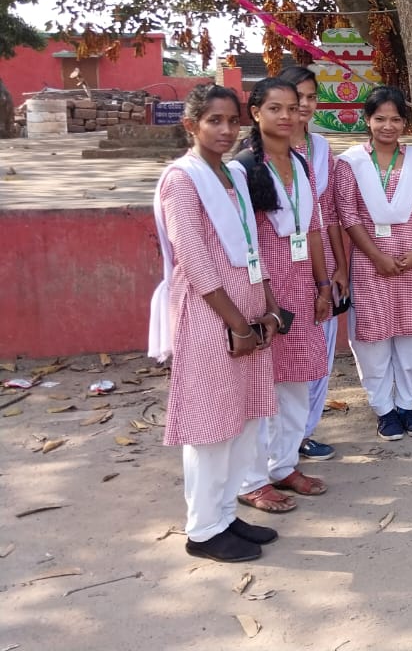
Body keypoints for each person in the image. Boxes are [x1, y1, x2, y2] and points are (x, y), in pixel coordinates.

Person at [150, 84, 281, 563]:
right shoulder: (181, 180)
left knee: (243, 418)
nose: (226, 130)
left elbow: (253, 247)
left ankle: (225, 515)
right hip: (210, 315)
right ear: (191, 125)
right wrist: (238, 325)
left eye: (232, 121)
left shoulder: (233, 174)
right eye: (214, 121)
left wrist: (267, 308)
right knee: (212, 424)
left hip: (245, 311)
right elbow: (197, 260)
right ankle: (203, 529)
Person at [235, 78, 332, 512]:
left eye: (293, 108)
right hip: (264, 289)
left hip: (301, 284)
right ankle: (251, 478)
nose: (287, 116)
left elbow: (312, 228)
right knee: (261, 387)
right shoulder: (243, 169)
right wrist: (266, 298)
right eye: (275, 108)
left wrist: (323, 282)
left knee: (296, 382)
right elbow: (244, 240)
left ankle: (284, 464)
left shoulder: (301, 162)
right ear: (256, 112)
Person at [334, 86, 412, 442]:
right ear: (368, 120)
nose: (388, 126)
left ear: (405, 123)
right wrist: (377, 257)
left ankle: (407, 405)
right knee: (373, 338)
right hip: (370, 260)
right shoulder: (350, 163)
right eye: (380, 118)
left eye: (396, 119)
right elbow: (347, 213)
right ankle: (383, 409)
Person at [278, 66, 349, 463]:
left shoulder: (322, 149)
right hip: (281, 261)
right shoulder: (263, 152)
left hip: (318, 262)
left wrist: (340, 268)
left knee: (319, 350)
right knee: (288, 350)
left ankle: (305, 432)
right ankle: (280, 439)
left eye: (309, 98)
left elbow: (331, 213)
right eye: (295, 98)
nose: (302, 106)